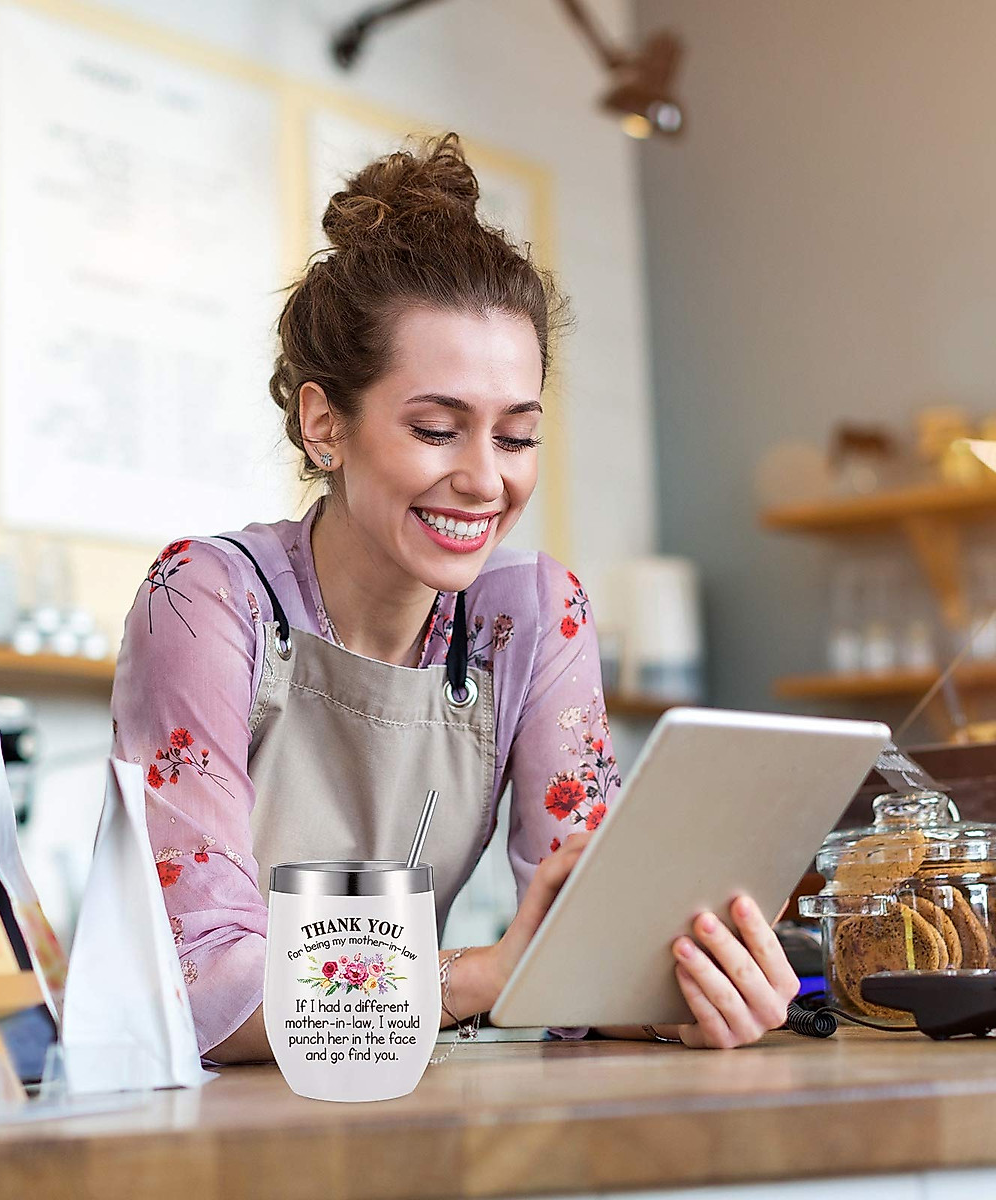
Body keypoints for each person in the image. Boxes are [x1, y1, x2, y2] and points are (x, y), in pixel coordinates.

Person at [110, 132, 798, 1066]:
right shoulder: (206, 602)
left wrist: (678, 993)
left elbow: (586, 936)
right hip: (198, 1112)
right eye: (437, 429)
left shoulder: (534, 616)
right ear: (324, 424)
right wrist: (480, 978)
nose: (484, 480)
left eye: (516, 438)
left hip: (394, 1096)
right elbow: (200, 988)